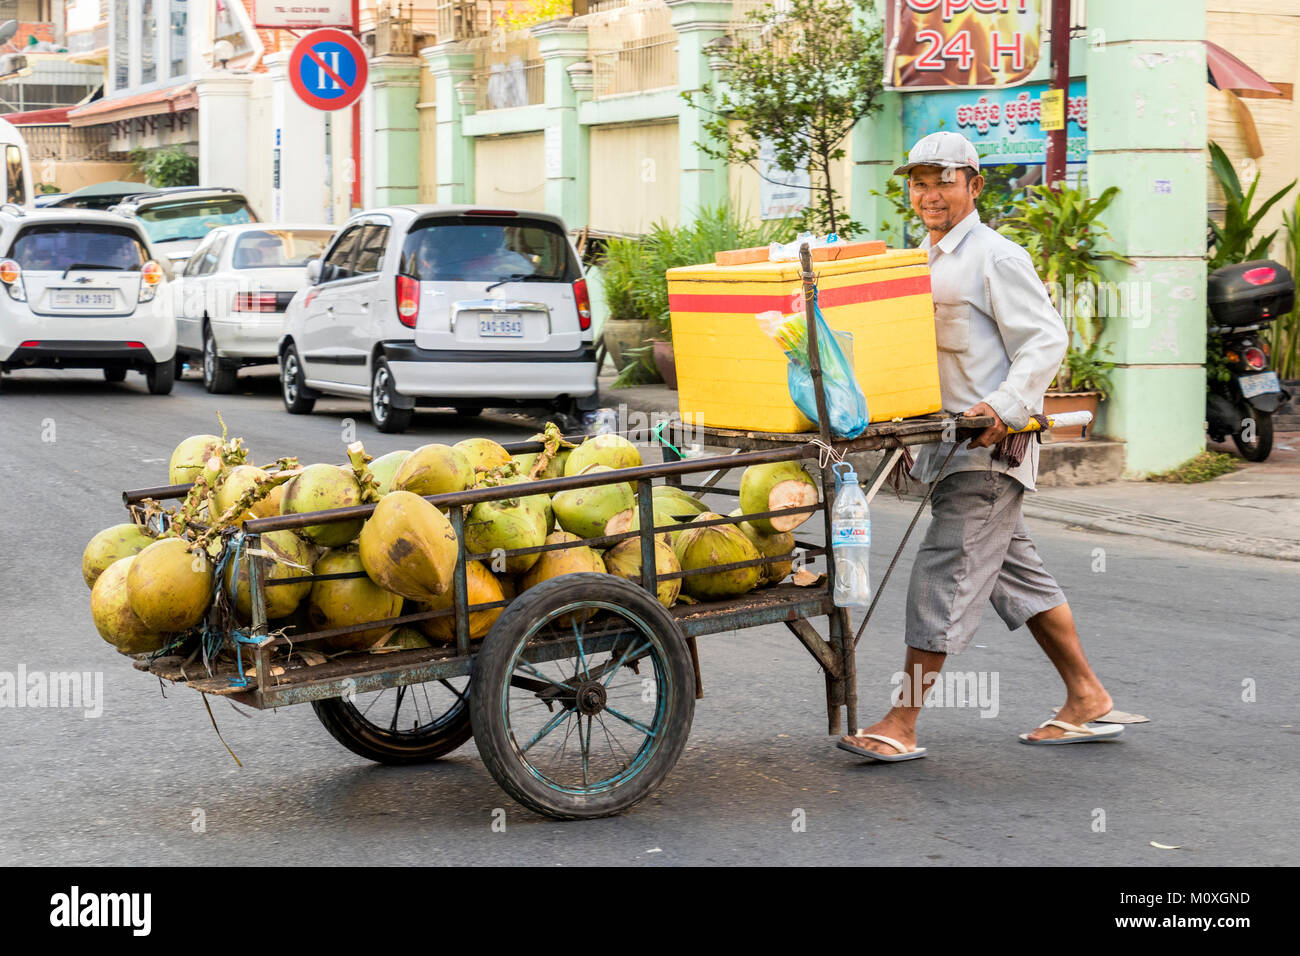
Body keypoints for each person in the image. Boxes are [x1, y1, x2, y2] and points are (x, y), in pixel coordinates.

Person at [837, 131, 1122, 762]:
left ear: (974, 185)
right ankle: (1087, 696)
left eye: (943, 180)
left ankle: (902, 721)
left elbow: (1045, 341)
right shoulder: (923, 259)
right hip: (944, 449)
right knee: (1014, 576)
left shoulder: (996, 256)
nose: (930, 193)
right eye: (919, 182)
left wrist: (1005, 405)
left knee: (947, 572)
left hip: (989, 452)